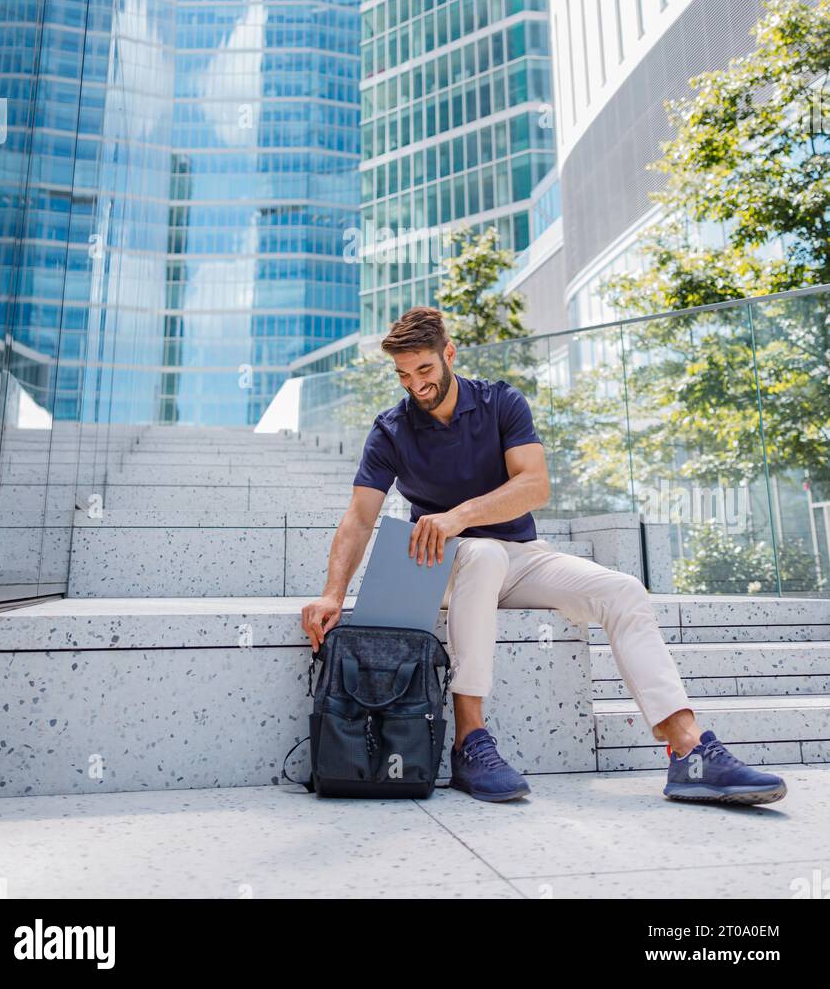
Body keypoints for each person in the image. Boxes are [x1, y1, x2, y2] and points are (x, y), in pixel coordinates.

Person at [301, 306, 788, 807]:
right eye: (404, 374)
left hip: (523, 555)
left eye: (424, 369)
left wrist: (458, 515)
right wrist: (333, 594)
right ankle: (470, 742)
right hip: (448, 565)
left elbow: (535, 486)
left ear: (449, 354)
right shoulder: (390, 430)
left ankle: (690, 753)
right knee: (485, 555)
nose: (415, 384)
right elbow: (360, 518)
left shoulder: (501, 402)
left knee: (623, 591)